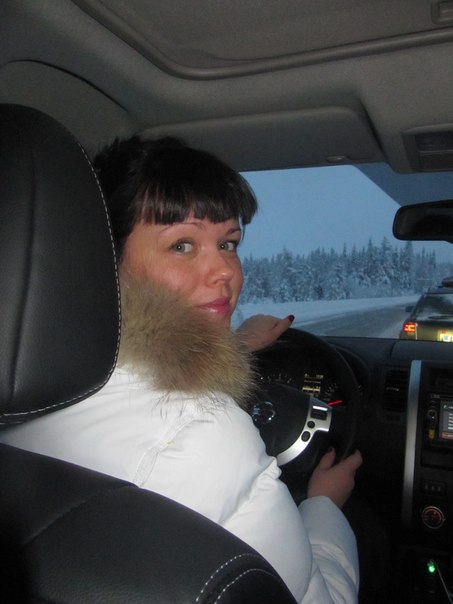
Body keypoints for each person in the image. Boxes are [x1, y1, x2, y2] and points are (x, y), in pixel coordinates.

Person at [0, 136, 362, 603]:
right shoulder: (204, 435)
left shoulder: (36, 383)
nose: (225, 271)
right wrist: (324, 506)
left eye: (228, 243)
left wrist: (236, 346)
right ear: (105, 258)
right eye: (183, 245)